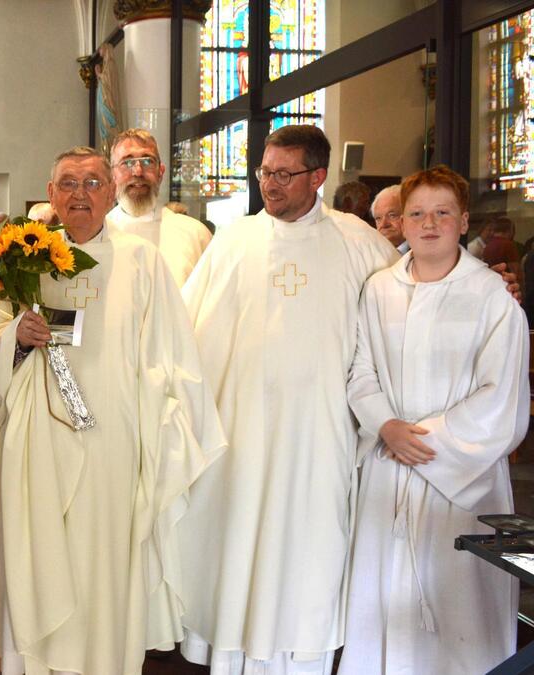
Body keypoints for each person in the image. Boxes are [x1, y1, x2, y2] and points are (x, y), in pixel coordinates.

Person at [0, 146, 226, 675]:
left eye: (92, 183)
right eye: (68, 183)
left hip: (114, 438)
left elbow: (172, 353)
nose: (80, 194)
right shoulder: (19, 258)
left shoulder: (142, 261)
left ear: (110, 193)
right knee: (37, 551)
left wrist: (162, 427)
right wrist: (15, 336)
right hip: (37, 439)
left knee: (104, 561)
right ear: (50, 193)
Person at [177, 125, 401, 674]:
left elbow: (408, 302)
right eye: (264, 172)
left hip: (320, 438)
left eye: (283, 174)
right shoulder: (234, 241)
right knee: (238, 545)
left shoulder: (357, 243)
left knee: (311, 550)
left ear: (317, 176)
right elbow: (184, 327)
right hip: (240, 437)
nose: (269, 185)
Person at [341, 166, 528, 674]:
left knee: (458, 600)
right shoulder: (378, 290)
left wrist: (428, 443)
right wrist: (386, 425)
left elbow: (502, 394)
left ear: (463, 221)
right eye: (418, 213)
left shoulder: (491, 296)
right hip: (389, 464)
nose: (429, 224)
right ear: (402, 223)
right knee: (384, 597)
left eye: (443, 213)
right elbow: (360, 369)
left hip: (461, 477)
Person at [105, 128, 212, 287]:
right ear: (112, 175)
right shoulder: (98, 234)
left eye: (147, 161)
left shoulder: (196, 235)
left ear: (160, 172)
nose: (138, 171)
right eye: (127, 162)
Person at [370, 184, 406, 250]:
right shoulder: (372, 251)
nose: (383, 225)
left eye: (392, 215)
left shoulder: (421, 251)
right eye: (378, 218)